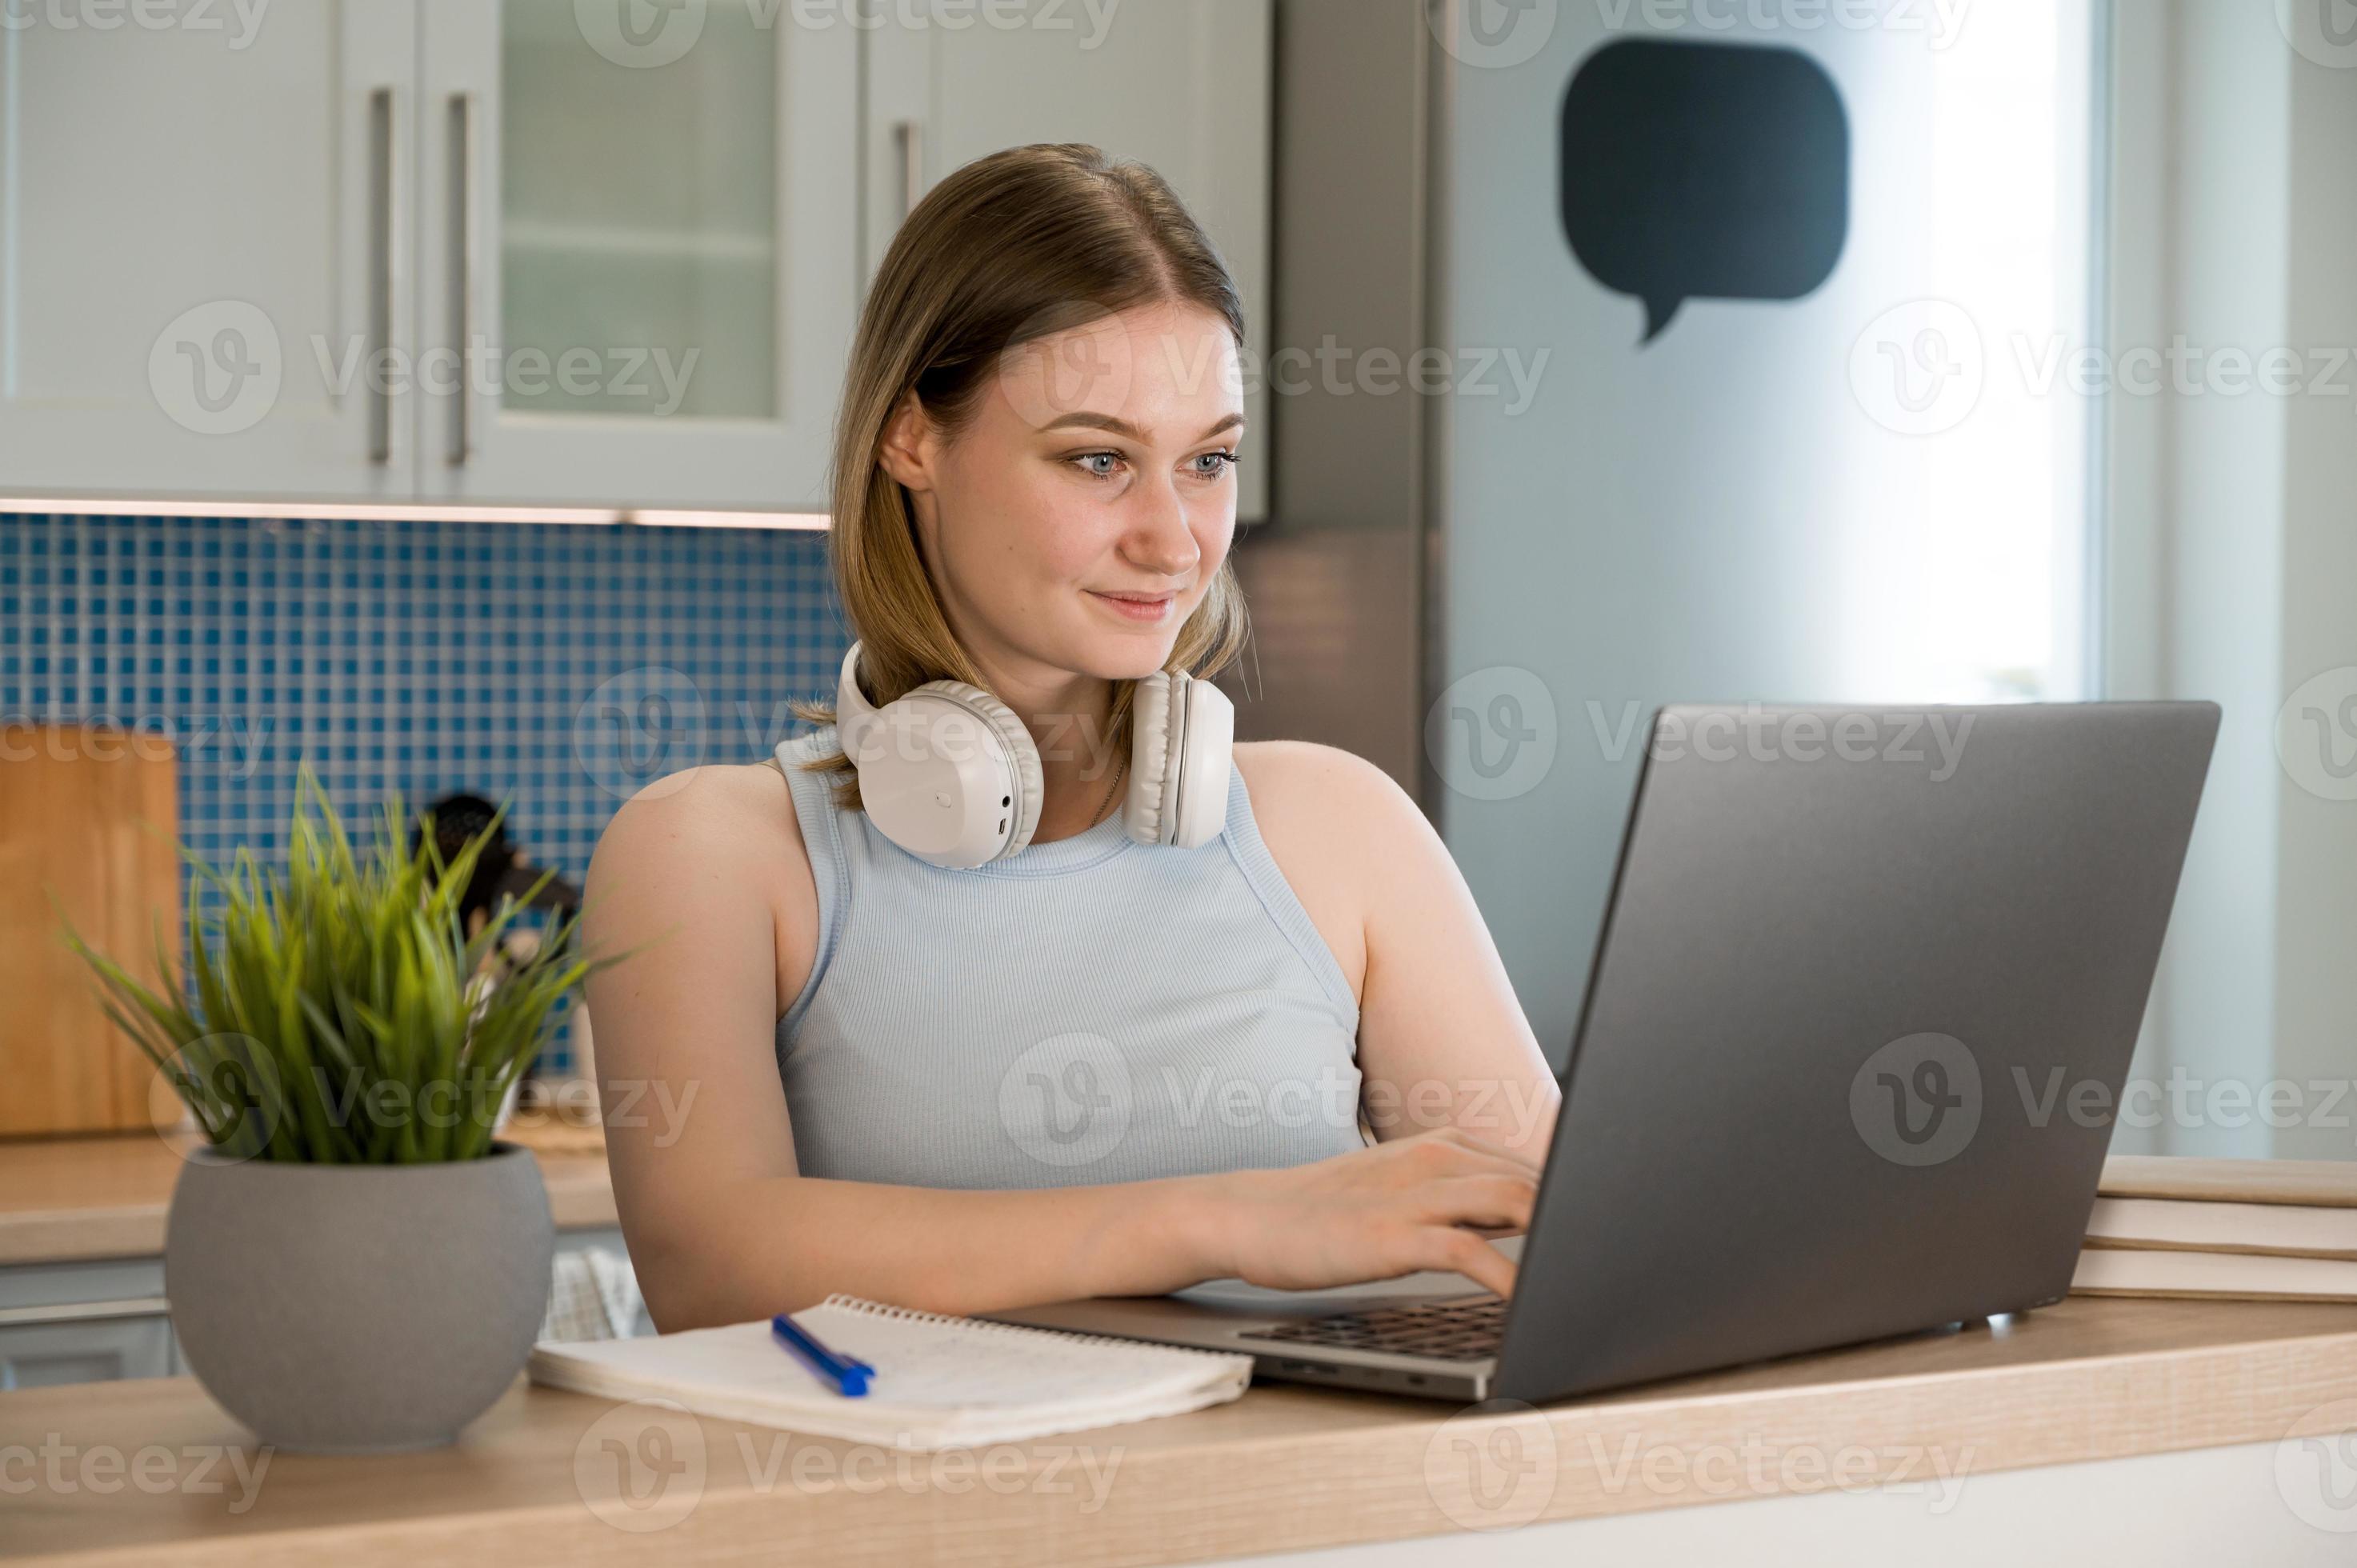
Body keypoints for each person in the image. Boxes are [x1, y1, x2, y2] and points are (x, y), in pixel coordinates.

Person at [584, 144, 1558, 1331]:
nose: (1175, 540)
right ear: (911, 441)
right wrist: (1228, 1220)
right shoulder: (706, 854)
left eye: (1205, 461)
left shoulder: (1336, 825)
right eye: (1098, 460)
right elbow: (708, 1264)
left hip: (1309, 1509)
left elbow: (1546, 1235)